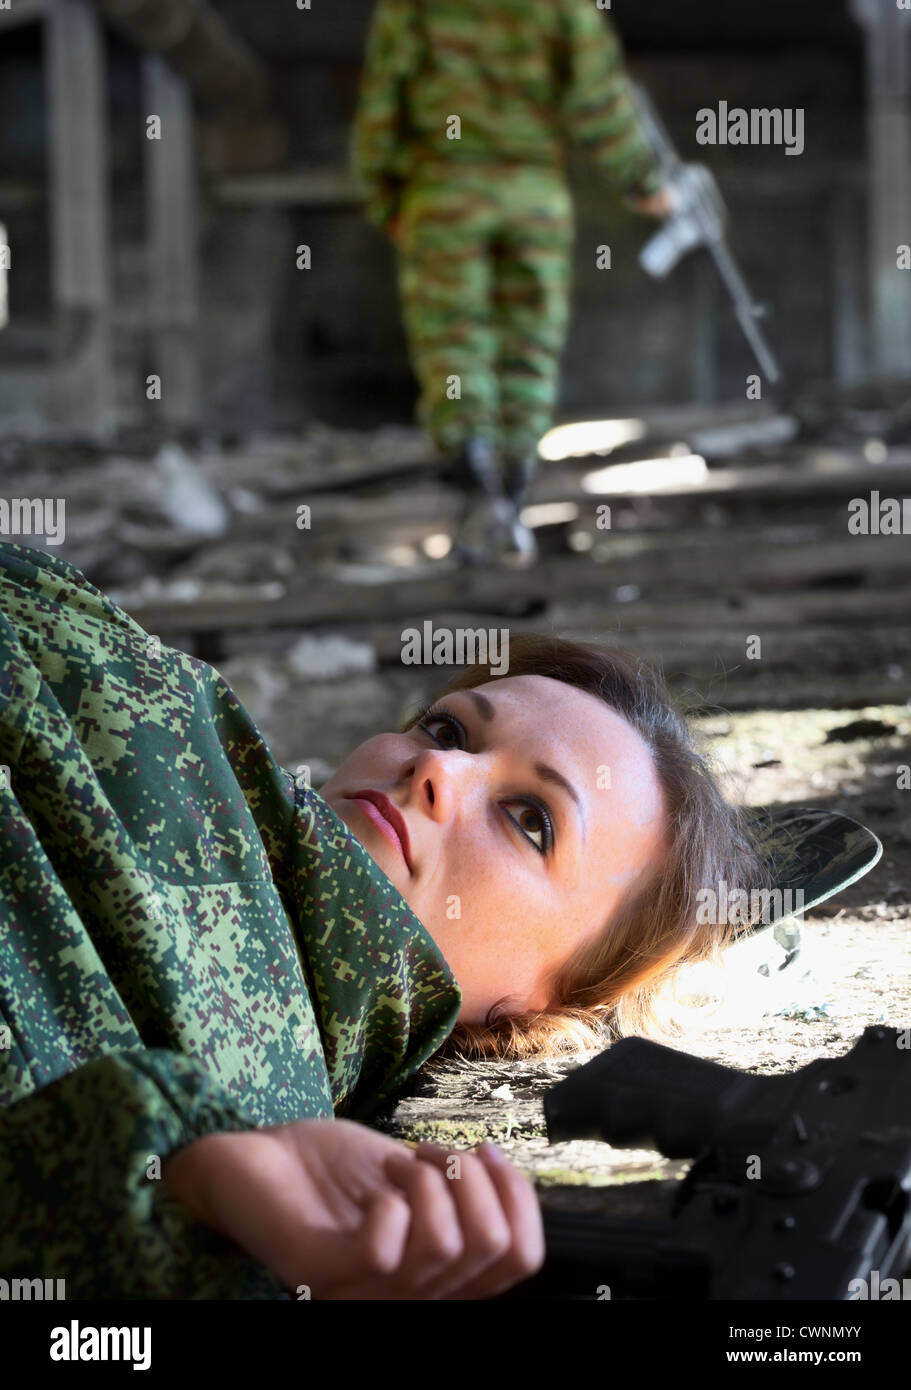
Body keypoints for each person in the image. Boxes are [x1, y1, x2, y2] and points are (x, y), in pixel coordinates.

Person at [0, 543, 763, 1299]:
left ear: (545, 1006)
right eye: (447, 730)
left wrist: (184, 1187)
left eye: (531, 820)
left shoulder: (250, 1153)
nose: (438, 769)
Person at [353, 0, 677, 566]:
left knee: (454, 343)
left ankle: (478, 490)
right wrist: (644, 180)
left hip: (444, 191)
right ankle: (515, 493)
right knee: (528, 352)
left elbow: (382, 100)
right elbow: (598, 98)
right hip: (535, 197)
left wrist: (385, 197)